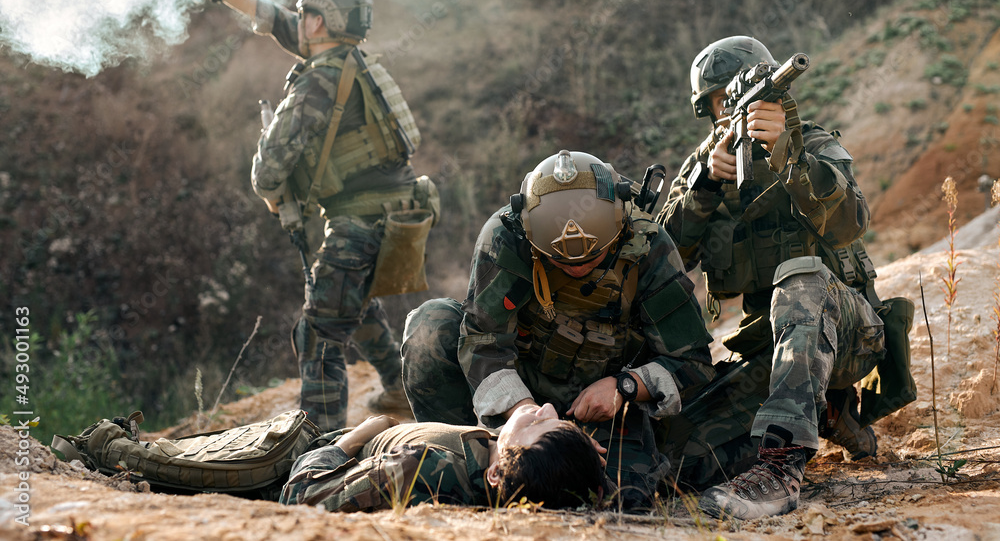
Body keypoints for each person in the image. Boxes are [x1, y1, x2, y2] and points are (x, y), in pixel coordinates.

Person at [656, 36, 898, 520]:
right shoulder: (706, 162)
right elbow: (659, 261)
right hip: (773, 352)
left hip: (847, 331)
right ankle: (829, 412)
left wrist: (787, 151)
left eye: (737, 95)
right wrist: (703, 189)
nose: (729, 108)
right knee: (677, 457)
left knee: (801, 275)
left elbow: (852, 220)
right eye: (719, 101)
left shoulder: (811, 141)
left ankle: (781, 469)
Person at [401, 149, 717, 509]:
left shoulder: (647, 246)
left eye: (592, 257)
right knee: (431, 325)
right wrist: (522, 415)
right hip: (518, 395)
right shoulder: (508, 236)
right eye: (559, 260)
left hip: (606, 407)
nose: (577, 268)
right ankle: (469, 462)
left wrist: (625, 387)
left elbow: (692, 363)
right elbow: (484, 340)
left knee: (621, 502)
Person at [208, 0, 437, 431]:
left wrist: (275, 196)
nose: (298, 23)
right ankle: (399, 388)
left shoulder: (318, 79)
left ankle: (319, 447)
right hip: (400, 212)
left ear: (319, 22)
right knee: (355, 300)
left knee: (318, 334)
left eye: (305, 15)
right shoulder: (351, 60)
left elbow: (269, 166)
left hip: (362, 223)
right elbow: (276, 19)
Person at [279, 403, 608, 511]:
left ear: (495, 473)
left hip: (298, 457)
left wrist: (355, 438)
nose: (547, 407)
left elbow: (299, 498)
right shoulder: (516, 469)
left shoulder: (423, 469)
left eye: (539, 423)